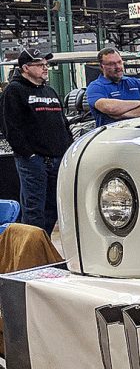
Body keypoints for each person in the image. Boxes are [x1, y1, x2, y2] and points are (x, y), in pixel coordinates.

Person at [0, 51, 73, 233]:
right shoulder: (14, 91)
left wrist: (68, 147)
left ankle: (44, 247)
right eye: (40, 65)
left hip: (57, 159)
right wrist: (30, 155)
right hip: (34, 162)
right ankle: (32, 255)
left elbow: (62, 123)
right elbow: (10, 127)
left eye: (45, 64)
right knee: (34, 210)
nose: (45, 68)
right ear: (26, 68)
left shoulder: (50, 91)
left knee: (53, 208)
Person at [86, 47, 140, 127]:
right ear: (102, 67)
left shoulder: (137, 83)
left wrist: (122, 115)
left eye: (119, 62)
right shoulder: (96, 87)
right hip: (112, 137)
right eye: (112, 64)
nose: (118, 67)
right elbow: (109, 108)